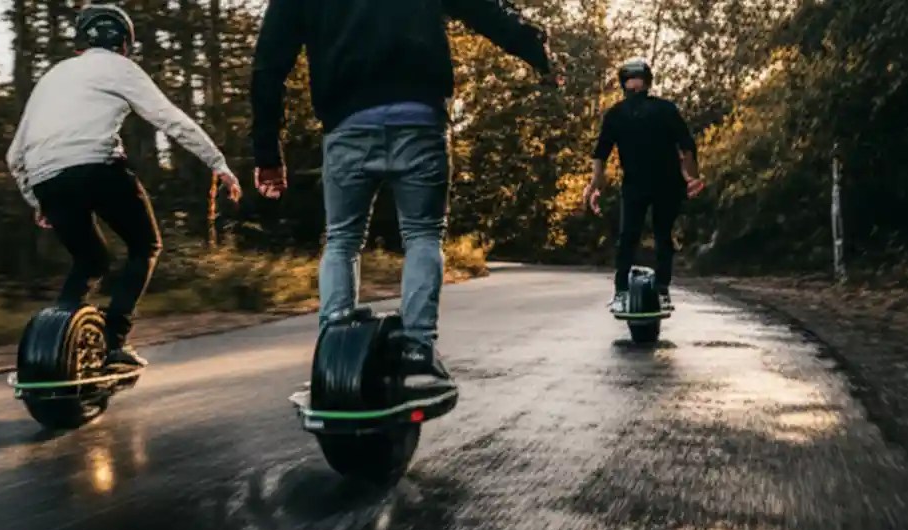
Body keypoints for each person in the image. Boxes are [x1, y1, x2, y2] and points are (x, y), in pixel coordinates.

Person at [250, 0, 558, 390]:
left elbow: (269, 64)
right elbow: (485, 10)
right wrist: (539, 53)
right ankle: (417, 350)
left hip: (347, 126)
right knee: (423, 235)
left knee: (342, 239)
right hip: (420, 119)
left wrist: (267, 154)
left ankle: (335, 350)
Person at [6, 3, 241, 368]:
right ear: (124, 43)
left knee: (90, 260)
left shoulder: (52, 75)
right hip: (96, 167)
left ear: (80, 42)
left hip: (46, 179)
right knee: (145, 245)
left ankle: (55, 348)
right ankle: (113, 340)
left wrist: (38, 201)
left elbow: (14, 155)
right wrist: (217, 163)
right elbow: (170, 119)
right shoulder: (120, 67)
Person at [583, 58, 704, 314]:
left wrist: (691, 177)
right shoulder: (658, 109)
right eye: (633, 79)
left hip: (654, 183)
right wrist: (691, 177)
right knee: (649, 236)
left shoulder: (624, 112)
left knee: (639, 237)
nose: (635, 84)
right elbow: (687, 146)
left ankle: (639, 291)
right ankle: (646, 291)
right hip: (652, 183)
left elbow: (601, 154)